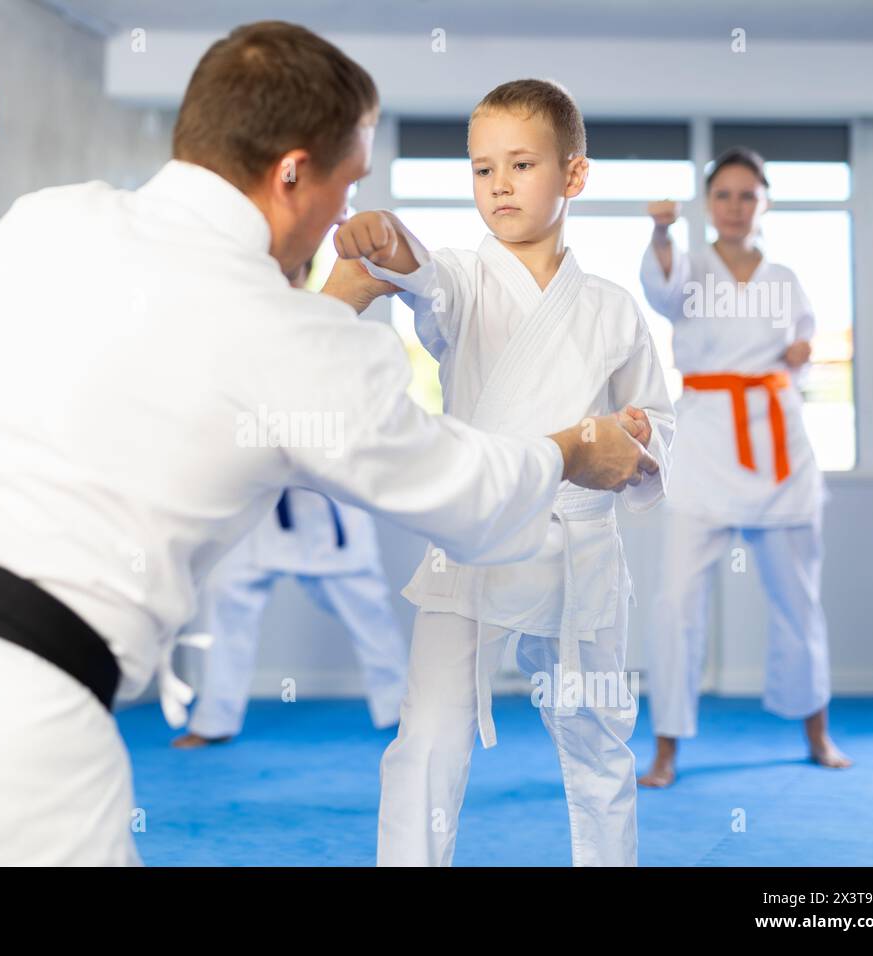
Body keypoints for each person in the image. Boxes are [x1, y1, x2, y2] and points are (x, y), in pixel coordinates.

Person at [0, 22, 656, 866]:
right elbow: (470, 493)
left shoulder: (42, 223)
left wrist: (325, 309)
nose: (348, 213)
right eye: (344, 188)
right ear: (293, 173)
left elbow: (186, 322)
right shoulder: (295, 344)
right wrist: (576, 447)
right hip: (8, 726)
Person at [342, 79, 675, 867]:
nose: (499, 184)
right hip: (476, 536)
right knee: (428, 738)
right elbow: (421, 275)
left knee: (597, 742)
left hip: (578, 546)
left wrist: (640, 439)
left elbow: (658, 420)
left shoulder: (613, 307)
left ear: (574, 174)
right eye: (482, 168)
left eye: (522, 164)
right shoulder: (463, 278)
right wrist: (387, 242)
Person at [637, 146, 851, 788]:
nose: (735, 206)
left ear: (765, 203)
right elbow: (660, 287)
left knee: (799, 600)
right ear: (709, 205)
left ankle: (816, 731)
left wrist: (801, 351)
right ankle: (667, 745)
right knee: (676, 602)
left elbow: (803, 349)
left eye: (747, 195)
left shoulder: (784, 277)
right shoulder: (690, 266)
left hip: (778, 442)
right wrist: (661, 230)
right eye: (724, 195)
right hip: (706, 442)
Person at [174, 259, 409, 748]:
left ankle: (401, 711)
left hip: (322, 498)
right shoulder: (233, 324)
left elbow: (359, 406)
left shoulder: (328, 320)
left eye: (288, 268)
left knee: (368, 611)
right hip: (256, 500)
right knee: (227, 607)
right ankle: (214, 720)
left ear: (302, 270)